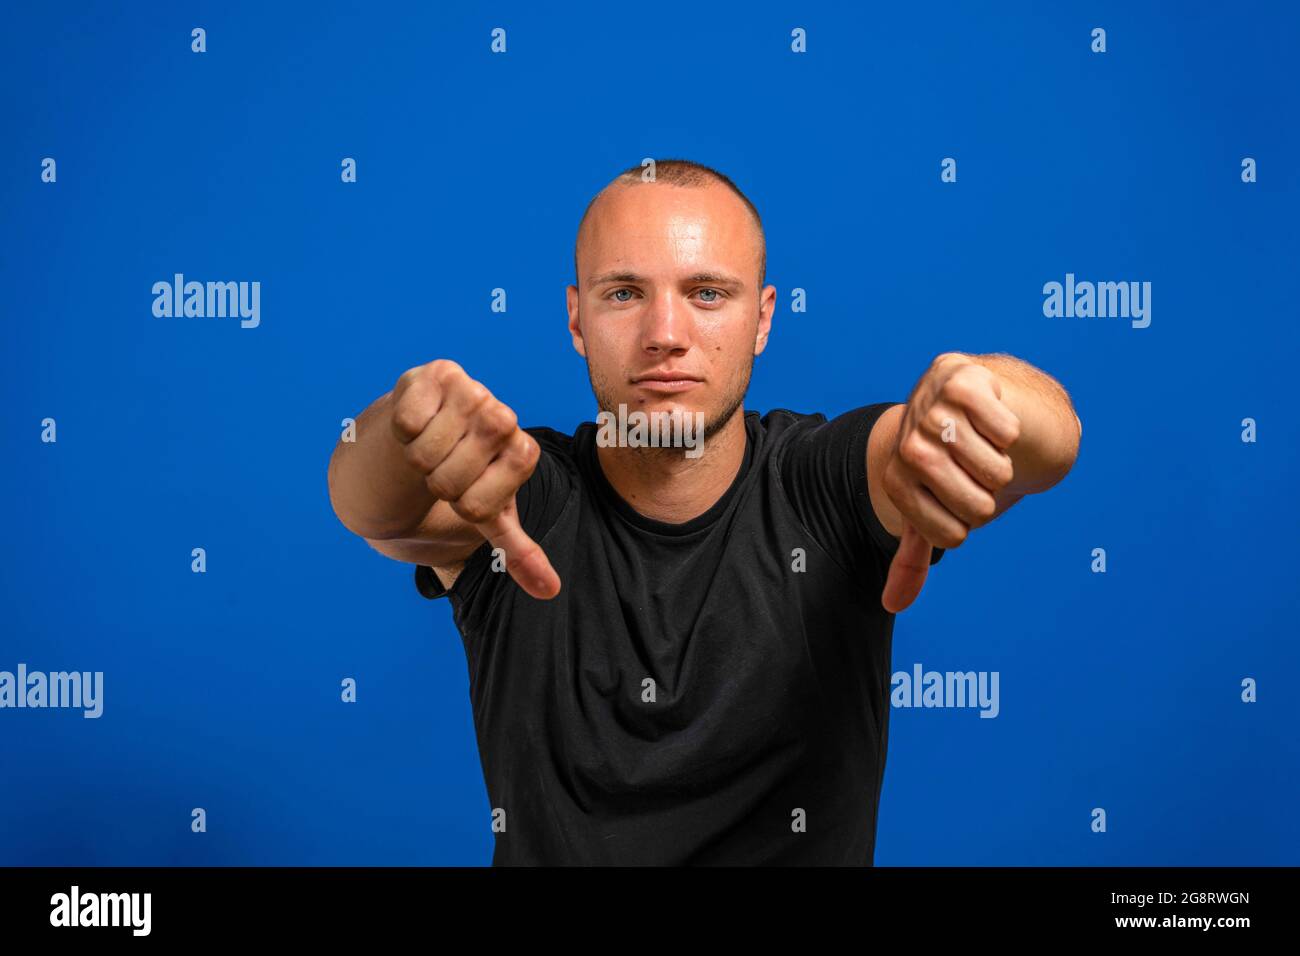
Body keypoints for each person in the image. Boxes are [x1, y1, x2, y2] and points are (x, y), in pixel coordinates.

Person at [327, 159, 1082, 865]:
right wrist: (405, 428)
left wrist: (980, 398)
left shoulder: (820, 485)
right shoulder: (524, 495)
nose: (665, 334)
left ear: (762, 318)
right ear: (576, 319)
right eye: (624, 293)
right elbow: (376, 511)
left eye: (707, 293)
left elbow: (1048, 441)